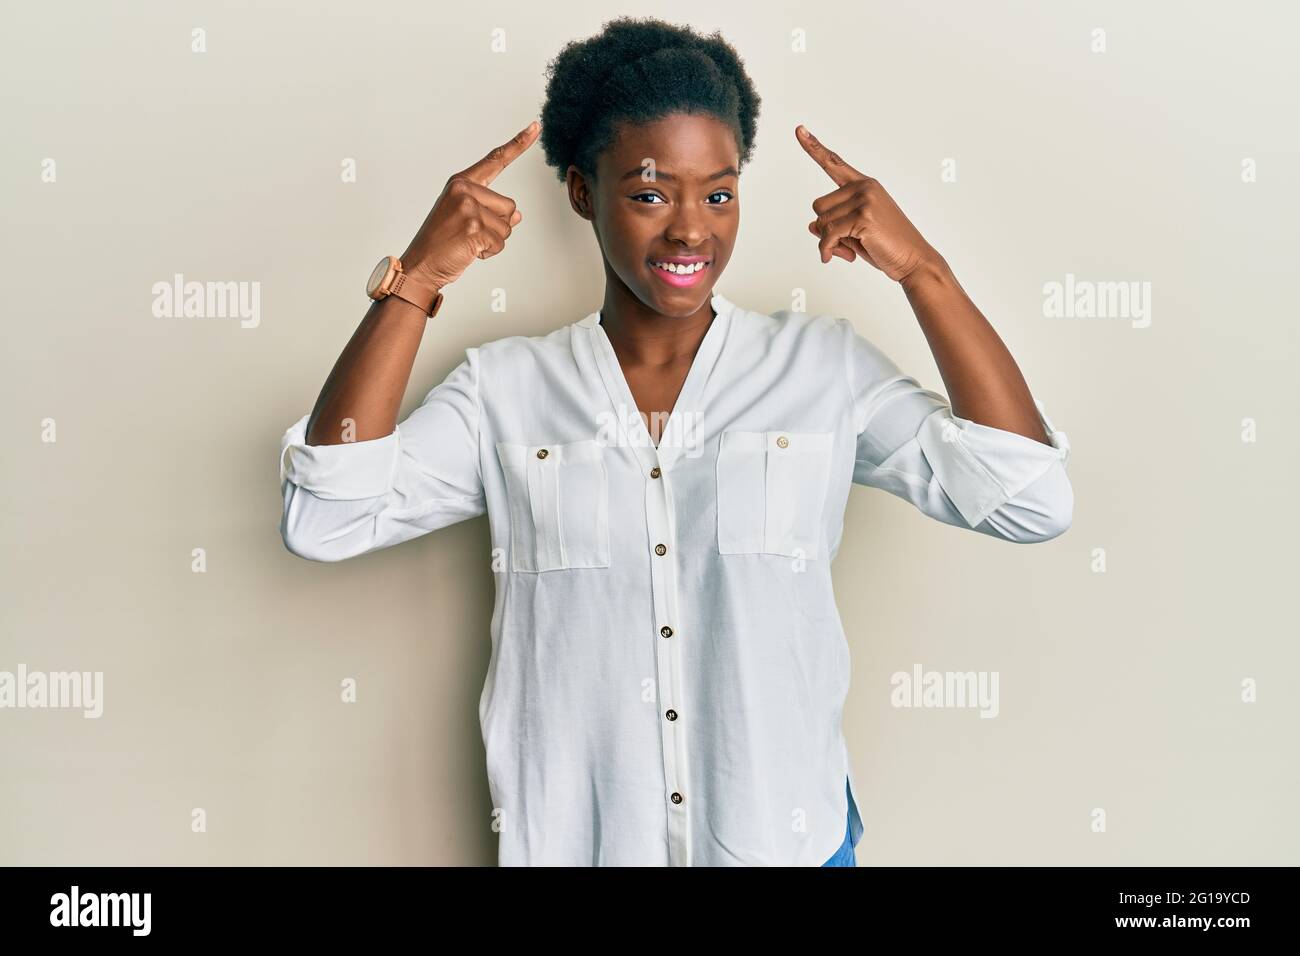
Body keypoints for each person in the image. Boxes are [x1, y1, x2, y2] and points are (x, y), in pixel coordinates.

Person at [278, 16, 1073, 867]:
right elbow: (326, 520)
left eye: (720, 193)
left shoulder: (820, 369)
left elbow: (1029, 501)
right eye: (651, 194)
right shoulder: (504, 391)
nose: (693, 230)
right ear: (583, 194)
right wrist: (417, 280)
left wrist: (925, 273)